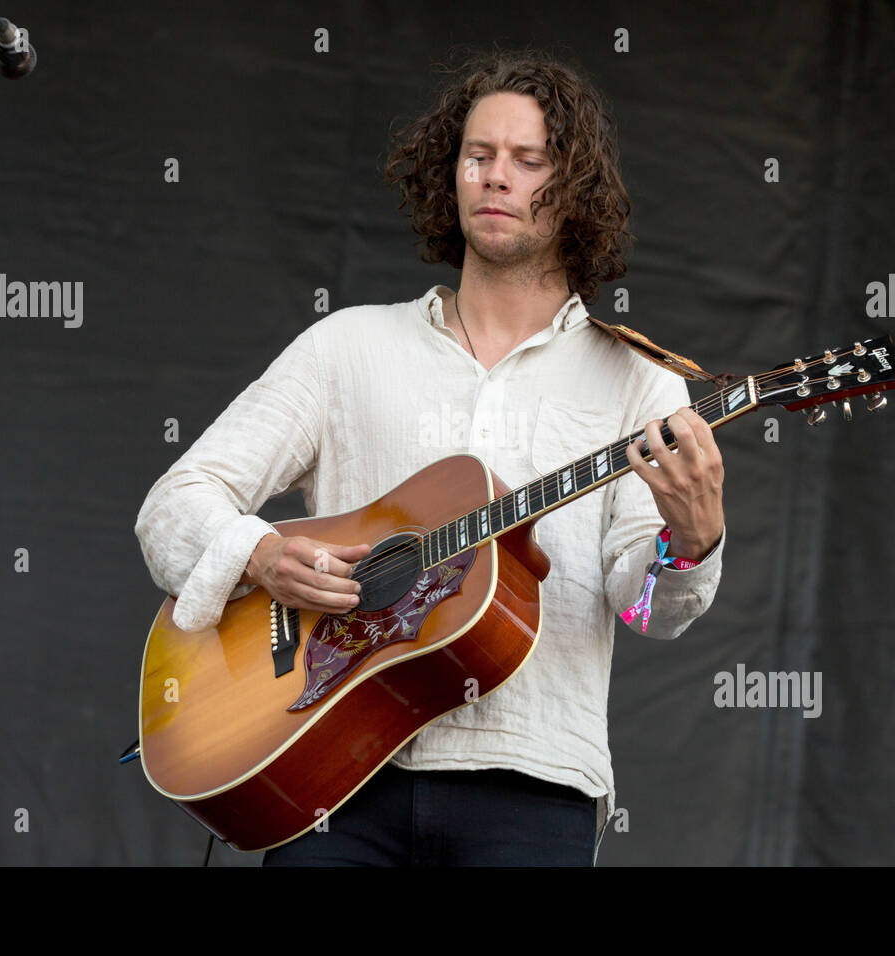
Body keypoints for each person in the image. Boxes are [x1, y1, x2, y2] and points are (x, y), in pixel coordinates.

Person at [134, 49, 725, 866]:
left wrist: (685, 546)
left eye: (529, 161)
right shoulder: (347, 347)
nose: (495, 177)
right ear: (449, 177)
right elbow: (174, 504)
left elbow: (640, 608)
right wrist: (262, 555)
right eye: (477, 156)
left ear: (575, 188)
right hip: (332, 776)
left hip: (535, 780)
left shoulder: (641, 385)